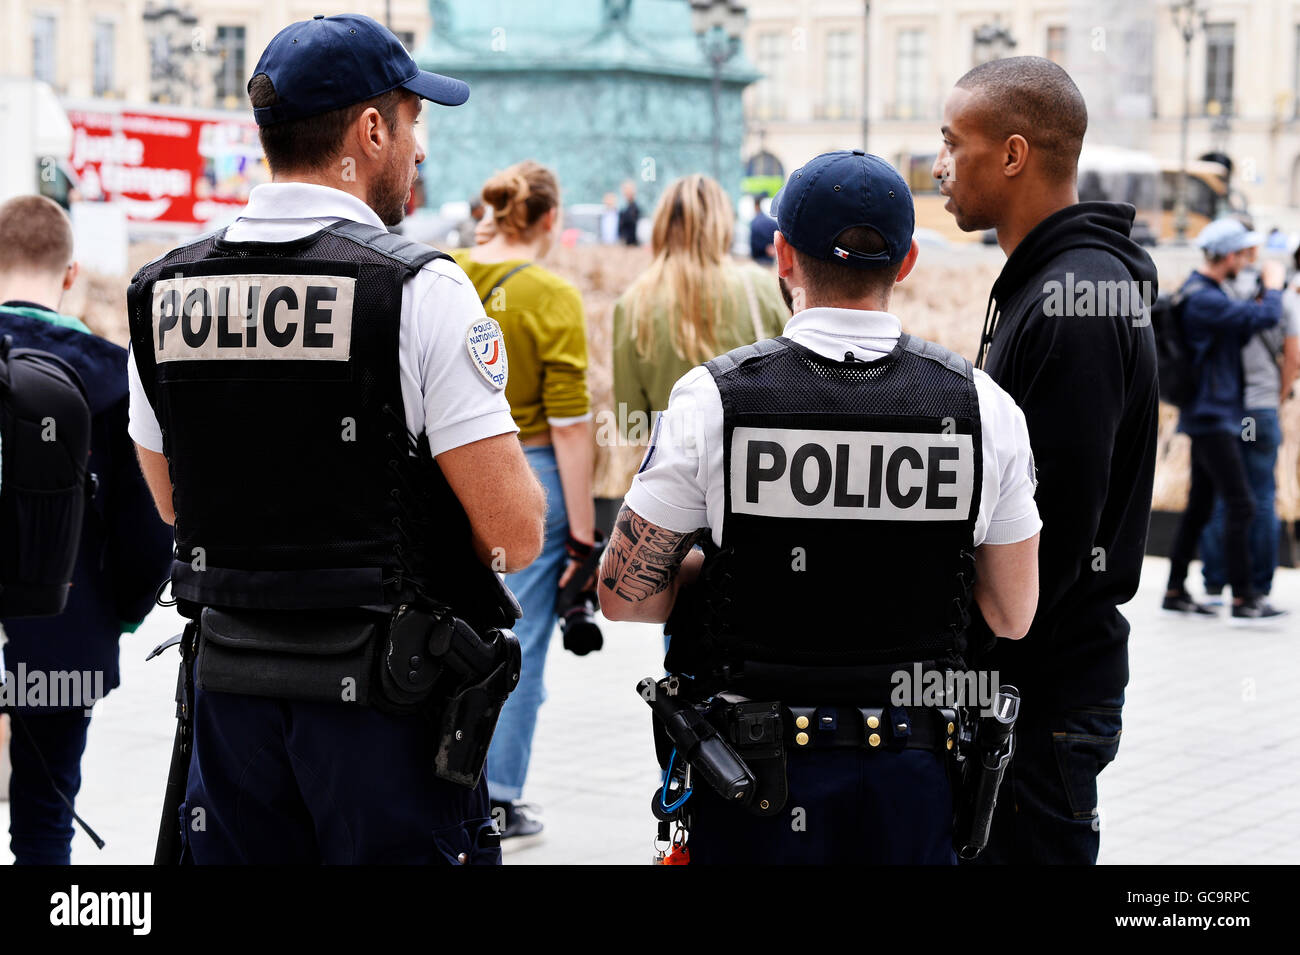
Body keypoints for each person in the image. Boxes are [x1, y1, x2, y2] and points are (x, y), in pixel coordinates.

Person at [126, 14, 545, 864]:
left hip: (231, 700)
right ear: (372, 131)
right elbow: (514, 532)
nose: (420, 151)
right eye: (414, 123)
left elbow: (175, 502)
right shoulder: (418, 289)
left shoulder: (161, 290)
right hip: (387, 713)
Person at [598, 150, 1042, 864]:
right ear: (907, 263)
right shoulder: (982, 408)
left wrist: (712, 569)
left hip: (756, 781)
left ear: (781, 255)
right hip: (913, 779)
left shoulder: (713, 399)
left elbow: (624, 596)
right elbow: (1013, 613)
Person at [933, 56, 1158, 864]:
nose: (939, 165)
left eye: (952, 142)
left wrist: (963, 652)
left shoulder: (1075, 301)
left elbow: (1056, 527)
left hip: (1039, 690)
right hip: (1030, 683)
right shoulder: (1055, 282)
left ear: (1013, 154)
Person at [0, 195, 173, 864]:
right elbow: (151, 528)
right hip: (65, 637)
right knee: (45, 820)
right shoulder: (114, 375)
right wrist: (116, 617)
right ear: (71, 273)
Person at [450, 160, 594, 842]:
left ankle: (439, 783)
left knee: (444, 630)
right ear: (549, 219)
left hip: (445, 467)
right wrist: (585, 536)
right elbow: (571, 426)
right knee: (519, 642)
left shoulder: (443, 272)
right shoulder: (552, 294)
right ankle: (499, 797)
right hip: (527, 471)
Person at [1162, 219, 1285, 619]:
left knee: (1200, 505)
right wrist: (1274, 286)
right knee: (1242, 504)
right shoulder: (1205, 298)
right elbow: (1262, 318)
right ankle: (1244, 598)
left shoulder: (1204, 292)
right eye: (1243, 254)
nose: (1247, 260)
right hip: (1212, 416)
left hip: (1211, 413)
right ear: (1229, 255)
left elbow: (1244, 324)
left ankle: (1175, 589)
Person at [613, 174, 789, 425]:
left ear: (661, 224)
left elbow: (629, 422)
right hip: (752, 448)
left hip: (672, 449)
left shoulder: (632, 304)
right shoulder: (759, 287)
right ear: (722, 223)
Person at [1198, 235, 1298, 607]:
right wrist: (1278, 394)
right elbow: (1294, 358)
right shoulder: (1282, 298)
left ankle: (1214, 581)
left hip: (1227, 411)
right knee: (1261, 495)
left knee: (1222, 495)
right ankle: (1257, 586)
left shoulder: (1222, 294)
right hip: (1261, 410)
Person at [749, 192, 778, 265]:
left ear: (756, 206)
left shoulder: (755, 222)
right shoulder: (774, 220)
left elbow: (753, 244)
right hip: (772, 261)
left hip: (758, 261)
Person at [618, 180, 641, 246]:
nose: (627, 193)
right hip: (625, 243)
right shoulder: (623, 207)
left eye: (629, 190)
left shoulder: (635, 208)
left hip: (632, 243)